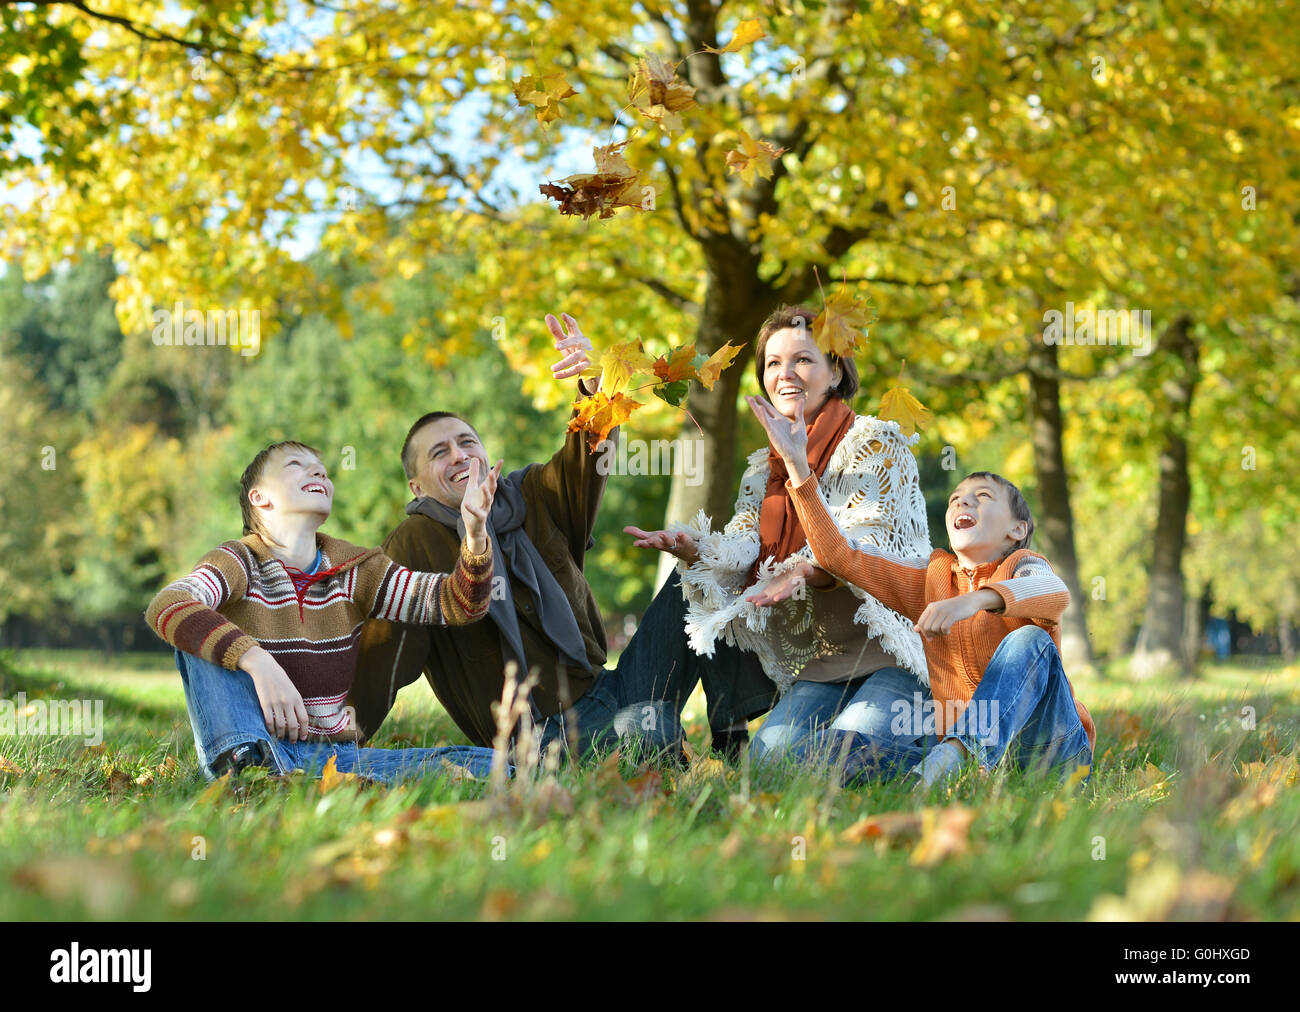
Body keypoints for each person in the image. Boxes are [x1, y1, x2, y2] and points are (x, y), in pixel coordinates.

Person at [352, 312, 743, 761]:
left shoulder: (532, 494)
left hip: (612, 687)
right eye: (440, 453)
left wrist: (594, 390)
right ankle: (649, 737)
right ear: (417, 487)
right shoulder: (414, 541)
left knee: (707, 571)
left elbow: (583, 457)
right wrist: (343, 736)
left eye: (467, 442)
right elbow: (387, 648)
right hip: (540, 738)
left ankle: (732, 747)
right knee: (646, 732)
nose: (459, 455)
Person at [627, 305, 934, 762]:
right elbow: (747, 539)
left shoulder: (876, 443)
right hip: (826, 666)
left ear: (834, 370)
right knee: (770, 763)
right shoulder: (763, 469)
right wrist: (699, 549)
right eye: (773, 363)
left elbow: (862, 544)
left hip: (898, 656)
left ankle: (947, 749)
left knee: (847, 753)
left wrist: (803, 564)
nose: (785, 374)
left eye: (803, 360)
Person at [749, 392, 1097, 788]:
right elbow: (840, 557)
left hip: (1048, 751)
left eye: (982, 497)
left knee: (1030, 638)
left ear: (1016, 530)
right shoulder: (931, 578)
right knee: (827, 752)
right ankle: (947, 768)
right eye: (956, 499)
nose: (964, 502)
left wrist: (976, 600)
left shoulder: (1024, 566)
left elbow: (1053, 592)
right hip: (962, 758)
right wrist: (797, 466)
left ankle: (957, 758)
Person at [145, 439, 501, 784]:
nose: (318, 475)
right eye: (297, 466)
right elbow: (168, 603)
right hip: (248, 743)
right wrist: (256, 660)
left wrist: (474, 535)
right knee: (196, 622)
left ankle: (296, 780)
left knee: (488, 765)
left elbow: (458, 604)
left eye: (322, 472)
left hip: (330, 756)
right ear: (260, 498)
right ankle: (249, 770)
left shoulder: (358, 570)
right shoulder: (237, 561)